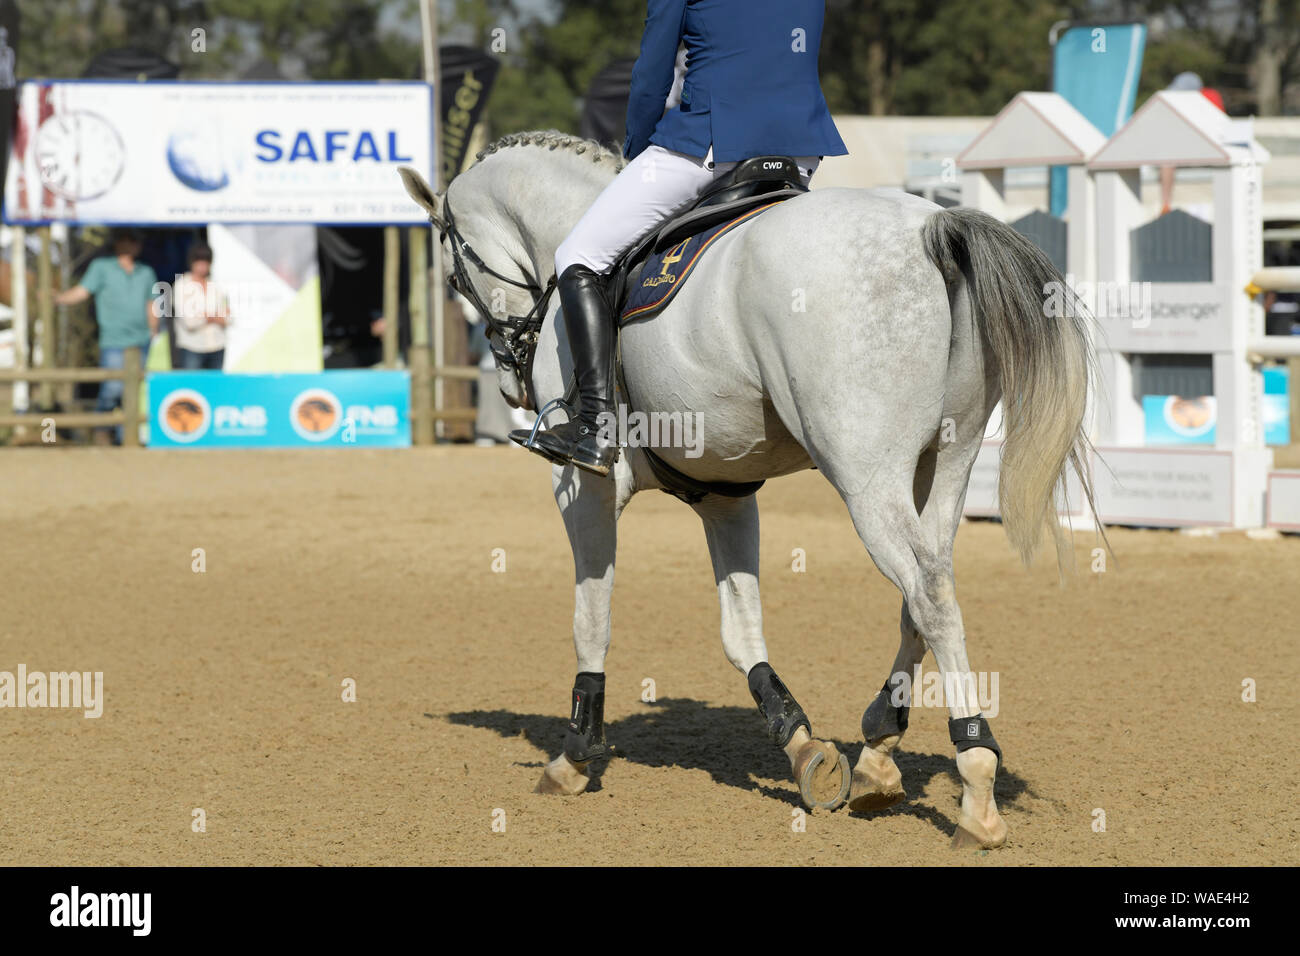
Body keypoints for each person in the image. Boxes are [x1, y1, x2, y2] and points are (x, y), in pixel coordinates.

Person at [509, 0, 847, 476]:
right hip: (804, 146)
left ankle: (594, 426)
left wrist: (635, 151)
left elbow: (651, 76)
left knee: (579, 255)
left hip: (714, 137)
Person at [54, 229, 157, 444]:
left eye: (136, 241)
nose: (132, 245)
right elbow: (83, 291)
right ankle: (101, 430)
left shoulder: (146, 272)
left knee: (133, 393)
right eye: (128, 240)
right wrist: (59, 299)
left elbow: (152, 304)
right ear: (118, 243)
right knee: (112, 389)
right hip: (114, 340)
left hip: (140, 340)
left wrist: (153, 331)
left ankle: (125, 438)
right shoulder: (102, 268)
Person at [162, 241, 229, 370]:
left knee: (214, 387)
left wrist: (204, 315)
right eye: (199, 261)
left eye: (206, 261)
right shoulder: (182, 285)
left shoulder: (216, 286)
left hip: (217, 346)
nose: (203, 265)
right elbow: (189, 322)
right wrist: (214, 316)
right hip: (191, 348)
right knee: (192, 387)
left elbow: (228, 317)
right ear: (192, 262)